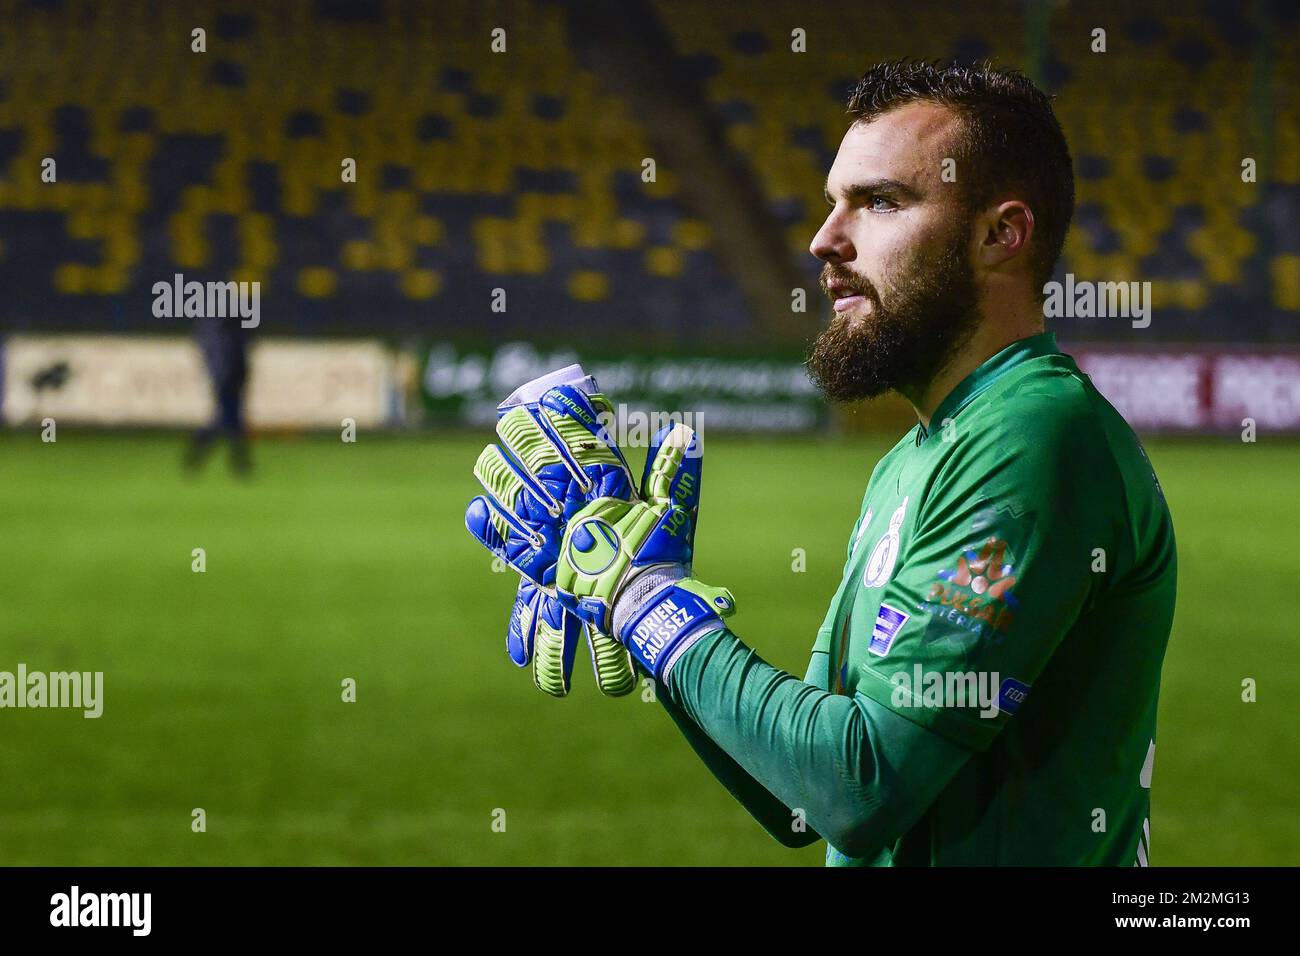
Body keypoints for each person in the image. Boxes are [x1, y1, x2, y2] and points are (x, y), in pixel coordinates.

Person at [184, 315, 252, 476]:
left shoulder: (227, 323)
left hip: (233, 371)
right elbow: (218, 347)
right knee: (229, 418)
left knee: (229, 418)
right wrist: (223, 373)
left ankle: (198, 454)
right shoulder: (219, 323)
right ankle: (239, 462)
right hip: (226, 373)